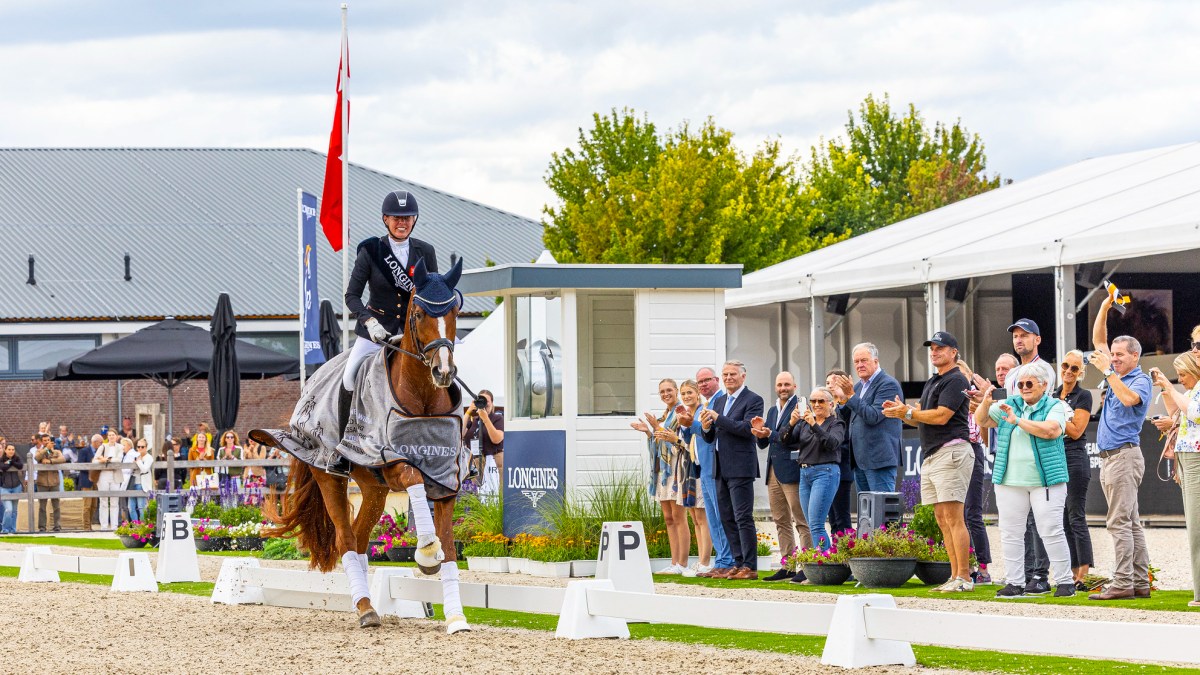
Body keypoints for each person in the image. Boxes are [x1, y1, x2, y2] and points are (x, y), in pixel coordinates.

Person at [339, 190, 439, 470]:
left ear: (414, 220)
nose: (402, 223)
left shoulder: (425, 252)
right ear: (385, 219)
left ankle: (435, 441)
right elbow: (352, 296)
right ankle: (344, 445)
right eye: (396, 218)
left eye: (407, 218)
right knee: (349, 378)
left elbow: (431, 293)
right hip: (376, 331)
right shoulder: (371, 250)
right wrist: (369, 322)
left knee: (441, 372)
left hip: (412, 335)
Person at [976, 361, 1076, 598]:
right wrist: (985, 402)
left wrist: (1017, 421)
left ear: (1043, 385)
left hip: (1046, 480)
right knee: (1010, 531)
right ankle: (1015, 582)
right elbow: (982, 420)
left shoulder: (1055, 405)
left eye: (1029, 383)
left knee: (1050, 529)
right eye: (1020, 384)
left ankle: (1065, 581)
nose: (1023, 387)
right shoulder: (1010, 403)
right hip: (1009, 479)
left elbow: (1051, 431)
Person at [884, 331, 974, 592]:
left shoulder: (956, 379)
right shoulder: (934, 380)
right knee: (941, 518)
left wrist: (909, 411)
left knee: (954, 517)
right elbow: (921, 417)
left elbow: (942, 416)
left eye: (940, 348)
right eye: (932, 348)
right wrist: (901, 414)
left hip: (951, 450)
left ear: (953, 352)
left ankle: (964, 577)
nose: (934, 352)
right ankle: (954, 575)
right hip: (933, 454)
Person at [1087, 289, 1153, 601]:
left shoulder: (1139, 380)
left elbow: (1129, 400)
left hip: (1124, 456)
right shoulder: (1117, 372)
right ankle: (1139, 583)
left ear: (1135, 356)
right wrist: (1103, 306)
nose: (1113, 358)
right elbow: (1099, 340)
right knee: (1131, 523)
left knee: (1118, 523)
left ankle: (1123, 582)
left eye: (1120, 355)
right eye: (1113, 354)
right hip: (1115, 457)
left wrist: (1108, 372)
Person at [701, 360, 765, 580]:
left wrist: (719, 419)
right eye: (725, 374)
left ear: (743, 377)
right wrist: (707, 427)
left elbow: (747, 429)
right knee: (726, 517)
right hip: (720, 467)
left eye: (733, 374)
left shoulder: (753, 400)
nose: (728, 378)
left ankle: (750, 565)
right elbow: (711, 436)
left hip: (740, 467)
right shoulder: (719, 402)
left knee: (742, 517)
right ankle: (737, 563)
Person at [1151, 352, 1200, 607]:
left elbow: (1194, 413)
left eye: (1183, 374)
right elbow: (1179, 416)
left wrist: (1170, 387)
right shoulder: (1191, 390)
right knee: (1193, 525)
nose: (1180, 379)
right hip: (1186, 456)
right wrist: (1166, 388)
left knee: (1197, 527)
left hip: (1195, 457)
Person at [750, 372, 809, 581]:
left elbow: (793, 439)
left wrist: (770, 434)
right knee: (780, 519)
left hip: (792, 469)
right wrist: (759, 433)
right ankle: (788, 565)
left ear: (794, 385)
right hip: (773, 470)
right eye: (779, 385)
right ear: (775, 387)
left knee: (801, 520)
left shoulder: (801, 408)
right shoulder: (773, 410)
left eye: (786, 384)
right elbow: (766, 444)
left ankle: (808, 566)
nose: (783, 388)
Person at [632, 379, 694, 575]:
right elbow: (659, 442)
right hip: (662, 471)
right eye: (662, 391)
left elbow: (678, 443)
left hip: (676, 470)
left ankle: (682, 563)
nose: (665, 394)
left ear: (676, 391)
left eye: (669, 390)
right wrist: (649, 433)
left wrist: (656, 428)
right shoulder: (665, 415)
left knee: (678, 516)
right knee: (668, 518)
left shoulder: (680, 413)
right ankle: (674, 561)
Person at [828, 342, 904, 493]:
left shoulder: (888, 384)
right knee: (867, 513)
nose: (859, 365)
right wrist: (843, 400)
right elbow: (846, 419)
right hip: (860, 460)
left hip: (879, 460)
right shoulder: (857, 387)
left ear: (876, 361)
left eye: (864, 360)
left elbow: (873, 416)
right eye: (856, 361)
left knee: (882, 512)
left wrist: (850, 396)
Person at [681, 367, 732, 578]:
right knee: (712, 518)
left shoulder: (720, 400)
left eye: (706, 380)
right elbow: (700, 431)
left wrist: (690, 424)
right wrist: (687, 425)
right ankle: (721, 560)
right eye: (699, 381)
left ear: (716, 380)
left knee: (718, 517)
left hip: (715, 465)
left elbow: (709, 429)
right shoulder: (707, 403)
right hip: (704, 467)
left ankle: (726, 560)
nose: (703, 385)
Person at [786, 386, 846, 553]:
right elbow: (785, 440)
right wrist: (791, 422)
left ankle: (825, 564)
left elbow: (832, 443)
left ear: (831, 404)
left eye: (821, 401)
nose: (816, 404)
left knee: (816, 524)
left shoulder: (836, 423)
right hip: (805, 473)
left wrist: (814, 424)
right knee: (810, 524)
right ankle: (823, 563)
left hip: (825, 472)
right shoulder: (804, 423)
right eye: (813, 401)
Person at [1054, 349, 1095, 589]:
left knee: (1076, 515)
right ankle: (1071, 571)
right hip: (1057, 457)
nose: (1068, 371)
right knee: (1062, 518)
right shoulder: (1052, 393)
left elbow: (1077, 430)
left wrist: (1057, 412)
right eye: (1066, 366)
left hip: (1075, 457)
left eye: (1074, 368)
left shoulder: (1084, 396)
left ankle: (1084, 573)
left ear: (1081, 373)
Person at [956, 359, 993, 585]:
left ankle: (983, 568)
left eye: (961, 375)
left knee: (972, 513)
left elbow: (982, 430)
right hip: (951, 451)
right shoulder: (947, 396)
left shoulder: (977, 399)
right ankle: (962, 566)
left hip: (971, 448)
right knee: (955, 515)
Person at [825, 370, 856, 537]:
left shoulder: (847, 408)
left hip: (842, 467)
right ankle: (836, 554)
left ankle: (847, 550)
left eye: (834, 382)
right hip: (825, 468)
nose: (830, 385)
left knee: (842, 515)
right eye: (828, 382)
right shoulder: (824, 409)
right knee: (832, 518)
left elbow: (847, 438)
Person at [463, 389, 505, 481]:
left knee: (495, 490)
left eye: (487, 401)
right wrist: (468, 412)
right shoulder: (474, 419)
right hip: (475, 460)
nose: (484, 404)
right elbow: (460, 434)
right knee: (477, 490)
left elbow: (496, 439)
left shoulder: (498, 418)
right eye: (481, 400)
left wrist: (485, 418)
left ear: (492, 403)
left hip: (494, 460)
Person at [34, 433, 65, 532]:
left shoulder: (57, 451)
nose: (47, 442)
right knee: (42, 507)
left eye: (48, 440)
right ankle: (42, 527)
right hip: (42, 482)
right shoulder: (39, 451)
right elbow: (37, 457)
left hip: (54, 482)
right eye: (45, 440)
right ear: (41, 441)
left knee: (56, 506)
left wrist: (50, 461)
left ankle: (57, 526)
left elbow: (63, 459)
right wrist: (46, 449)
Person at [77, 434, 100, 530]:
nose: (102, 444)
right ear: (94, 442)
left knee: (94, 505)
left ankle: (89, 524)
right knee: (87, 505)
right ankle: (86, 527)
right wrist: (93, 469)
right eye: (100, 442)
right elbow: (80, 465)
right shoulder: (84, 451)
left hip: (96, 481)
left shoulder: (100, 452)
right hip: (86, 481)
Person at [1, 443, 23, 534]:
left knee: (14, 511)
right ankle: (5, 529)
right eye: (9, 449)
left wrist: (10, 462)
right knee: (8, 510)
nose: (11, 451)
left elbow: (20, 466)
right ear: (5, 450)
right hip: (4, 487)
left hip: (16, 487)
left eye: (13, 449)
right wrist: (11, 462)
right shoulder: (1, 460)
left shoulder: (17, 459)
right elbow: (3, 467)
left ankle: (13, 529)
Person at [130, 439, 154, 522]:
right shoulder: (135, 456)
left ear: (146, 447)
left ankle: (143, 527)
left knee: (141, 507)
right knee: (131, 507)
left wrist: (138, 462)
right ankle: (136, 526)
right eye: (138, 446)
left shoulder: (149, 457)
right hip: (132, 483)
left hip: (142, 484)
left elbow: (144, 469)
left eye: (142, 447)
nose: (140, 448)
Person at [118, 437, 137, 523]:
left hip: (128, 480)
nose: (122, 447)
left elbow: (127, 470)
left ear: (129, 446)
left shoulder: (131, 454)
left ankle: (127, 521)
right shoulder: (127, 455)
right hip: (125, 480)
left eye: (124, 445)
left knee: (126, 504)